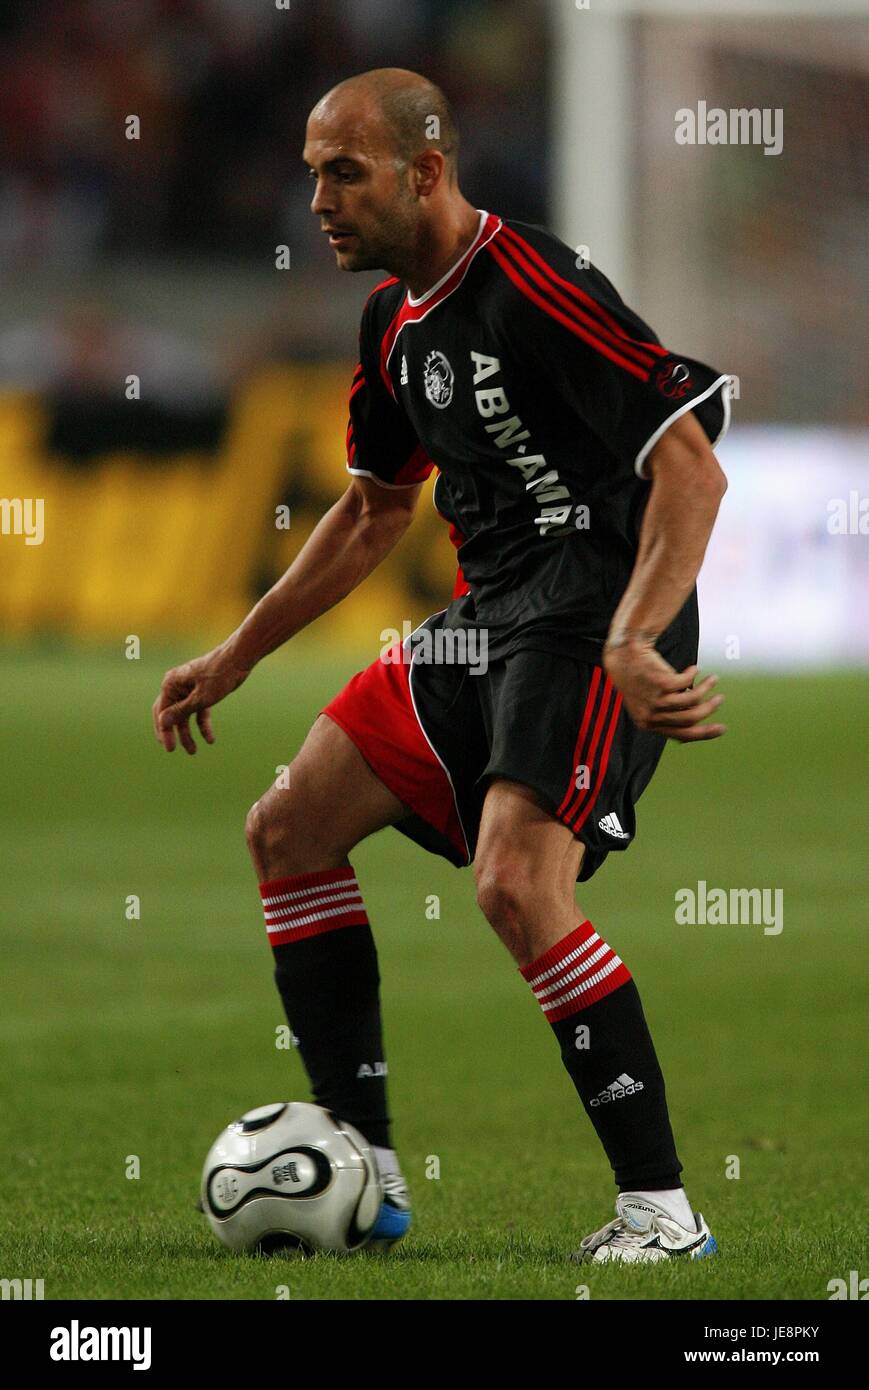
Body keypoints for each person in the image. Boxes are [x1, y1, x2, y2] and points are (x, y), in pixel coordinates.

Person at [153, 68, 732, 1262]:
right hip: (488, 618)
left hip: (592, 614)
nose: (315, 197)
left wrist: (634, 633)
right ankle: (362, 1164)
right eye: (311, 170)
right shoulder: (392, 323)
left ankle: (660, 1213)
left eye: (342, 172)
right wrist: (235, 654)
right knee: (288, 826)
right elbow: (372, 513)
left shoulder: (535, 284)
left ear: (423, 172)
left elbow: (691, 468)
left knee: (516, 889)